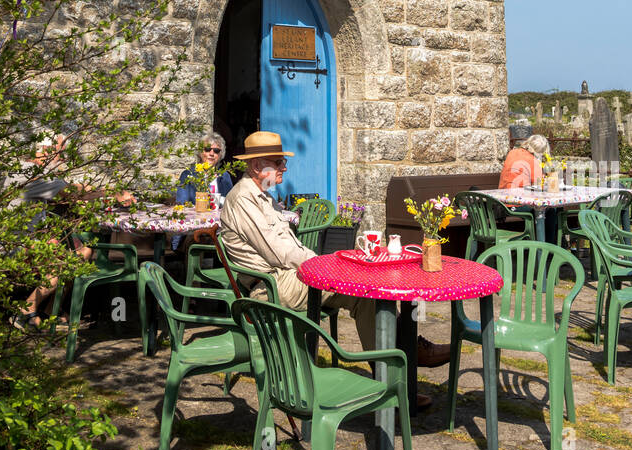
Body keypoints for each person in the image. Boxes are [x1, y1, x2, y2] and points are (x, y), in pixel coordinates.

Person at [220, 131, 449, 410]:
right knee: (361, 287)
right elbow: (280, 254)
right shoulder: (244, 198)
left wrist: (327, 265)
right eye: (278, 162)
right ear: (257, 166)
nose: (284, 167)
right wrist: (325, 266)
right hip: (270, 287)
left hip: (287, 278)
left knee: (367, 292)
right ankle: (402, 369)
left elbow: (289, 248)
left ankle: (397, 375)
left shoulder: (263, 196)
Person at [14, 134, 136, 327]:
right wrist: (114, 192)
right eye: (59, 153)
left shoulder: (28, 171)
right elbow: (75, 191)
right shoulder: (32, 174)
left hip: (28, 240)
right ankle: (25, 309)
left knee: (84, 252)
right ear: (44, 152)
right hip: (16, 246)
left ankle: (49, 313)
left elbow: (70, 194)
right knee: (70, 261)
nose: (63, 159)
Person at [175, 133, 234, 207]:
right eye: (207, 149)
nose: (211, 153)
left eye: (216, 151)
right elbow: (182, 202)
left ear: (220, 154)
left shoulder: (224, 176)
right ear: (200, 152)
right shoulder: (187, 175)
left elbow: (230, 203)